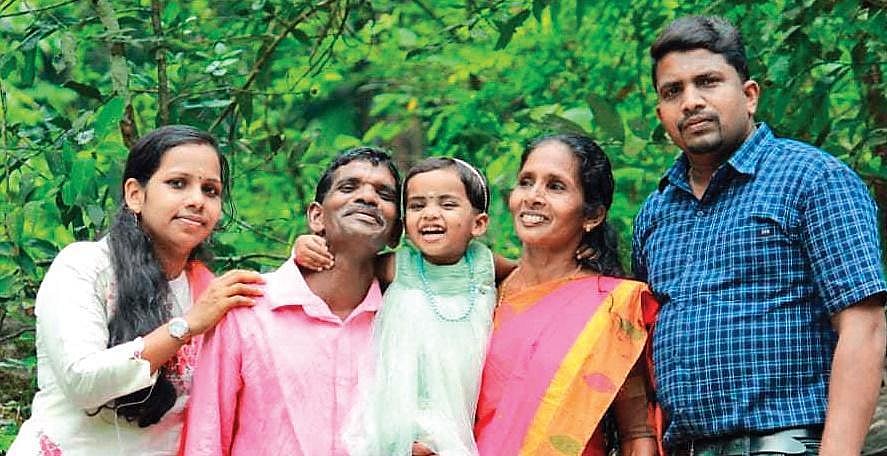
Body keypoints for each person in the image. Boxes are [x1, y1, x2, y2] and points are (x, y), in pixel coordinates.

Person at [632, 15, 887, 455]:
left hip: (786, 444)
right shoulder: (654, 214)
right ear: (661, 114)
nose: (691, 101)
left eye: (708, 82)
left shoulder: (813, 178)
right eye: (673, 91)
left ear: (749, 95)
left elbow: (864, 326)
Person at [8, 125, 264, 455]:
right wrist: (185, 327)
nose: (197, 200)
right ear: (135, 195)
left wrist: (311, 259)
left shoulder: (208, 291)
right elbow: (83, 382)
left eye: (210, 190)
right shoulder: (84, 267)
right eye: (178, 183)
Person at [180, 147, 402, 456]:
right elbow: (207, 436)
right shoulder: (247, 305)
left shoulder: (405, 322)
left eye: (385, 194)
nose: (367, 198)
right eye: (349, 187)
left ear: (396, 233)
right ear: (316, 216)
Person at [297, 157, 496, 455]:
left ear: (478, 223)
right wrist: (306, 246)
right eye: (417, 206)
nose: (430, 215)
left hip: (459, 388)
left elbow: (532, 274)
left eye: (447, 205)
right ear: (403, 226)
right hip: (405, 391)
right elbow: (346, 264)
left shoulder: (485, 264)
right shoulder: (399, 265)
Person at [474, 134, 659, 456]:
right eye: (526, 182)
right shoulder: (478, 294)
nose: (533, 196)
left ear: (592, 216)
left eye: (555, 186)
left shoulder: (614, 306)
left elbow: (637, 432)